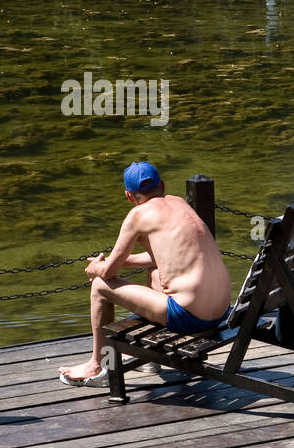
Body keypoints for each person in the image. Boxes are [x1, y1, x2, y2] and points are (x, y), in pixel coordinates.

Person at [58, 161, 232, 386]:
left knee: (100, 286)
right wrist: (118, 261)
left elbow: (108, 273)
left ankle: (98, 365)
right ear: (162, 185)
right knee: (154, 274)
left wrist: (97, 268)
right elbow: (166, 257)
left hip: (192, 317)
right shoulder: (180, 203)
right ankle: (150, 358)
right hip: (222, 311)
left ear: (129, 196)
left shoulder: (138, 215)